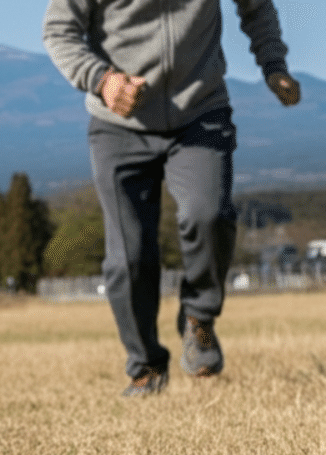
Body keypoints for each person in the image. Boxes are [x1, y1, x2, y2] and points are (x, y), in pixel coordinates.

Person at [42, 0, 301, 397]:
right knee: (127, 257)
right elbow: (59, 30)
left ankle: (199, 316)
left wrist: (274, 64)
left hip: (200, 112)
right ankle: (145, 366)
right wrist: (102, 80)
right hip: (117, 123)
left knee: (208, 214)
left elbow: (257, 7)